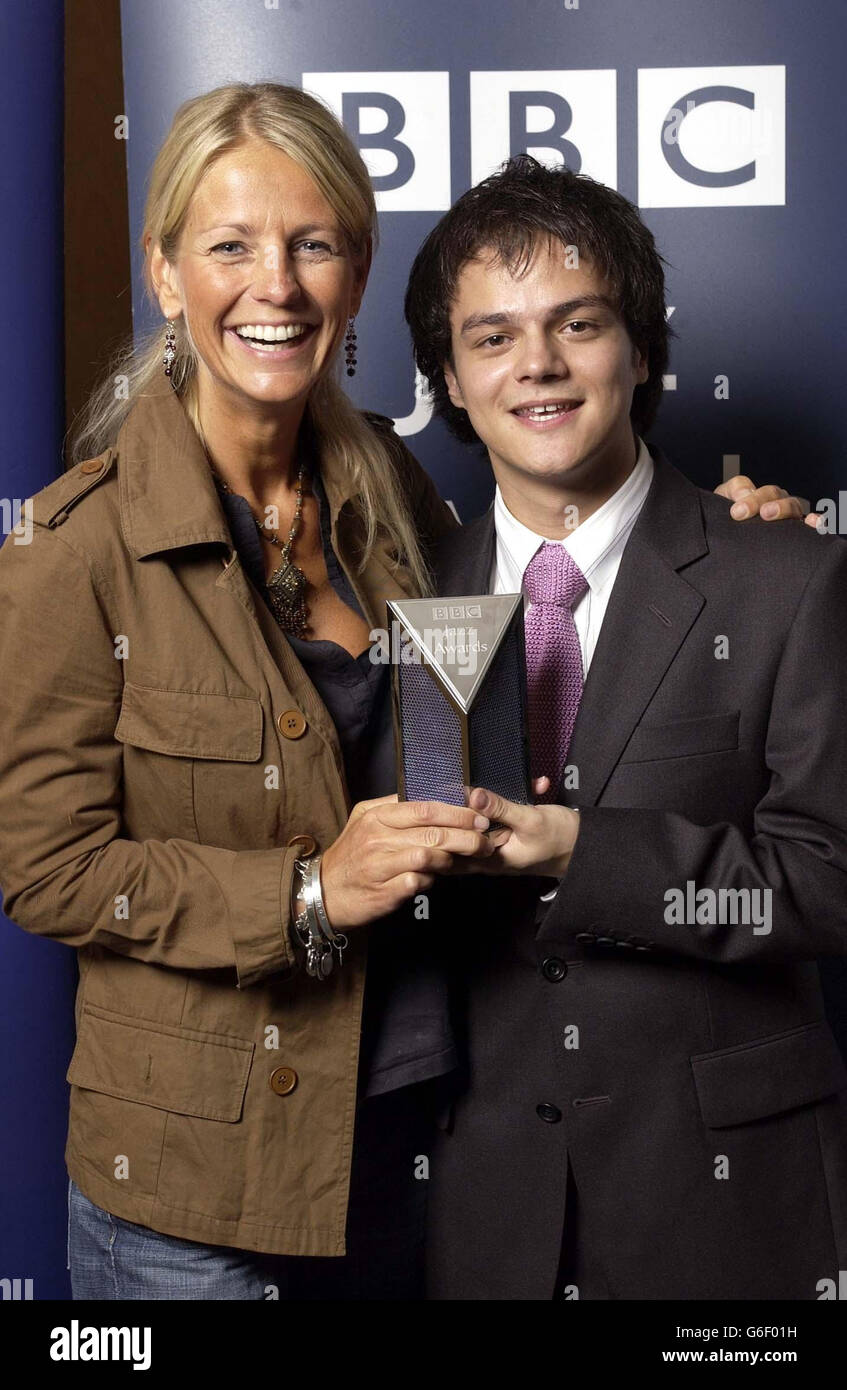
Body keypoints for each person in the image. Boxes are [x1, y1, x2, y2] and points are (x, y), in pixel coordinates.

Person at [0, 81, 806, 1301]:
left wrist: (742, 544)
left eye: (311, 245)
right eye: (229, 246)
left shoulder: (391, 497)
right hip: (201, 1188)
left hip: (405, 1139)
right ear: (165, 275)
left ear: (355, 274)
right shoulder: (77, 548)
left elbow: (577, 585)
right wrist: (314, 889)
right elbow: (46, 866)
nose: (274, 284)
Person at [403, 154, 847, 1301]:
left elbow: (825, 882)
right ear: (448, 379)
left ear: (640, 348)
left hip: (724, 1212)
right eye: (491, 337)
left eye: (577, 324)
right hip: (480, 1209)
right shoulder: (411, 599)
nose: (536, 366)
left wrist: (586, 853)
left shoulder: (783, 579)